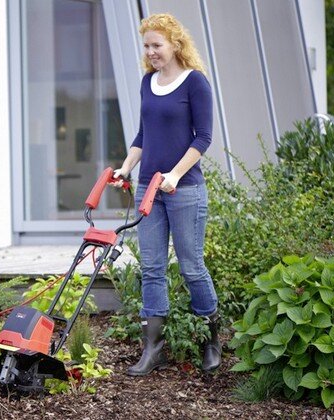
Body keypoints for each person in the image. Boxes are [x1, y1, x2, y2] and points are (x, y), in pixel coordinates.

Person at [111, 13, 220, 375]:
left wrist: (174, 174)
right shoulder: (148, 82)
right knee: (152, 268)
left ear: (175, 44)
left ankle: (209, 339)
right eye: (146, 46)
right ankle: (153, 351)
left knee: (191, 267)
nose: (151, 52)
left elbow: (202, 137)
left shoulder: (195, 83)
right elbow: (144, 135)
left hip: (184, 189)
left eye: (156, 45)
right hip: (148, 190)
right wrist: (125, 168)